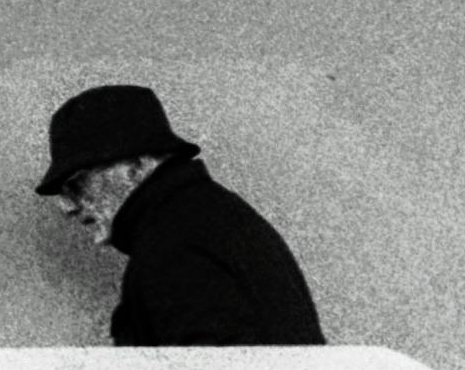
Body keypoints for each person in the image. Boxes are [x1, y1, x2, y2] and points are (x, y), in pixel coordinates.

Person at [35, 83, 322, 348]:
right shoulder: (204, 219)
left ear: (135, 167)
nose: (68, 207)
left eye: (76, 185)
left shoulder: (173, 244)